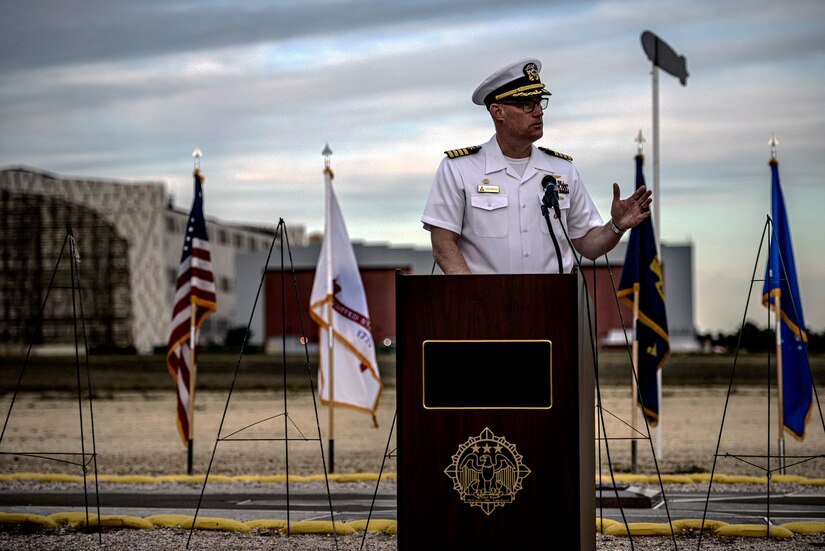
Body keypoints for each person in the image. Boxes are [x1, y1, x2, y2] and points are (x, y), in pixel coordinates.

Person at [421, 58, 652, 274]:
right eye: (527, 105)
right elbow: (443, 245)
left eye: (539, 103)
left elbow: (587, 244)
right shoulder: (460, 169)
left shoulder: (562, 170)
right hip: (485, 309)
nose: (539, 112)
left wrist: (616, 227)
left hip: (553, 307)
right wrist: (477, 300)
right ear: (497, 111)